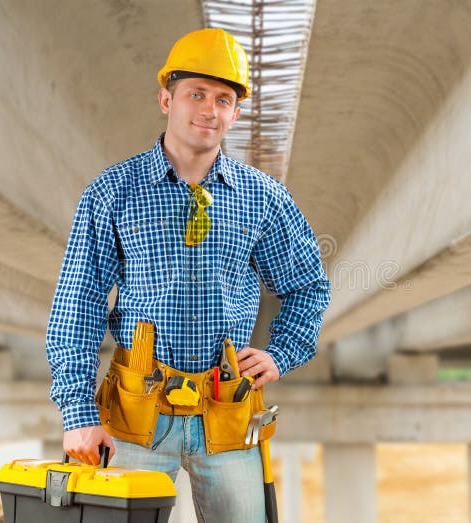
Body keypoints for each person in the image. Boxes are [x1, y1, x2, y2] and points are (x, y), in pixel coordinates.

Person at [46, 27, 330, 522]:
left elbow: (308, 285)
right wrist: (78, 413)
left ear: (235, 113)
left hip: (229, 414)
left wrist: (281, 353)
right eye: (196, 94)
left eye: (223, 100)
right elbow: (79, 302)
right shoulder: (113, 192)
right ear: (166, 99)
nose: (209, 110)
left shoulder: (262, 198)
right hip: (135, 418)